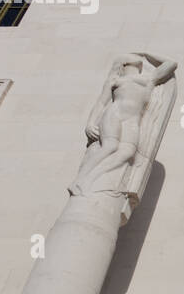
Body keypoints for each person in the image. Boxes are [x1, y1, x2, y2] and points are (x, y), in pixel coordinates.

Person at [71, 52, 177, 197]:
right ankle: (79, 180)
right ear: (123, 65)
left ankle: (92, 178)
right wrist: (90, 123)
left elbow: (171, 63)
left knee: (127, 152)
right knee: (110, 146)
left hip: (132, 119)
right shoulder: (115, 80)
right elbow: (101, 103)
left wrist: (145, 54)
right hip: (115, 114)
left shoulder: (148, 78)